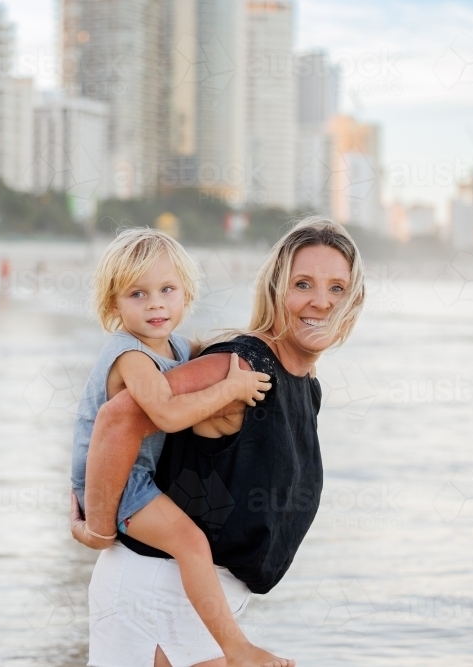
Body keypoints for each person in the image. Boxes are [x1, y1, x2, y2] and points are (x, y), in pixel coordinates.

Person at [71, 216, 366, 667]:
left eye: (338, 288)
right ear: (275, 291)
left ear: (355, 299)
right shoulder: (240, 366)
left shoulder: (302, 385)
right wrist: (98, 527)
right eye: (302, 284)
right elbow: (116, 420)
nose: (322, 302)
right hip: (157, 595)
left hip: (196, 605)